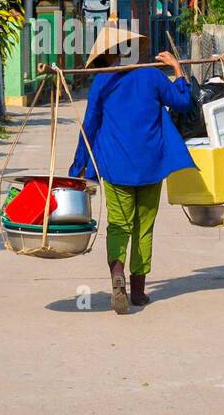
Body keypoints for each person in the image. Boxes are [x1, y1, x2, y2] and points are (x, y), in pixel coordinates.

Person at [69, 25, 194, 314]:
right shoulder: (152, 76)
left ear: (106, 57)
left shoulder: (102, 82)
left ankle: (117, 276)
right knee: (143, 227)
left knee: (119, 225)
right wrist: (177, 70)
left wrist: (78, 166)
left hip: (115, 166)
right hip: (150, 164)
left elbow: (89, 127)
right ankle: (138, 292)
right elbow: (184, 102)